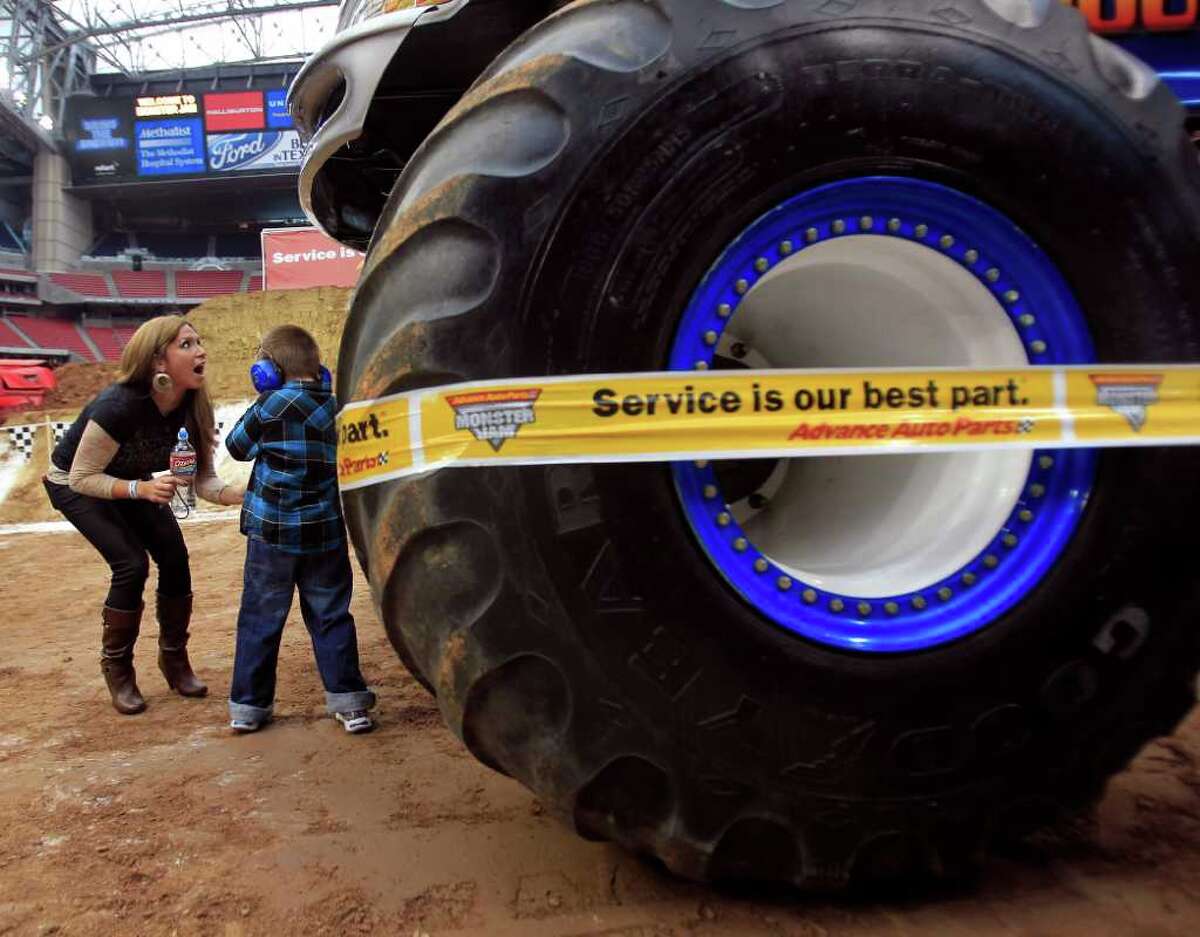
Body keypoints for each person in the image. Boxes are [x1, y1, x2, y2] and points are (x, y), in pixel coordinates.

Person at [44, 315, 245, 715]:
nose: (200, 350)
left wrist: (243, 494)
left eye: (199, 342)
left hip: (130, 480)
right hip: (75, 483)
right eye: (186, 345)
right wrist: (140, 489)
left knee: (174, 557)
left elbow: (201, 480)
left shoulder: (193, 406)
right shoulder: (119, 405)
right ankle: (118, 671)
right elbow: (83, 477)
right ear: (157, 362)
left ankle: (174, 660)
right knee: (131, 565)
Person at [224, 324, 375, 735]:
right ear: (319, 369)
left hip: (271, 535)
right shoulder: (338, 406)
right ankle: (350, 704)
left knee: (260, 617)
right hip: (324, 532)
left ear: (269, 369)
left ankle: (248, 709)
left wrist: (263, 400)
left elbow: (236, 447)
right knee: (331, 615)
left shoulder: (270, 404)